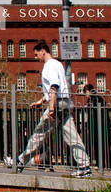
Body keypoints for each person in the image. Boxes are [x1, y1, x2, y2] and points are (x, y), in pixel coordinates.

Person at [6, 41, 92, 178]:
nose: (36, 58)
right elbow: (57, 87)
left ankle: (20, 161)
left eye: (36, 54)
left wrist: (51, 108)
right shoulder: (58, 64)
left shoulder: (49, 66)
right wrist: (41, 101)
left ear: (43, 51)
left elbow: (54, 86)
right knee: (72, 135)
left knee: (40, 133)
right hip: (66, 102)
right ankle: (84, 166)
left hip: (57, 104)